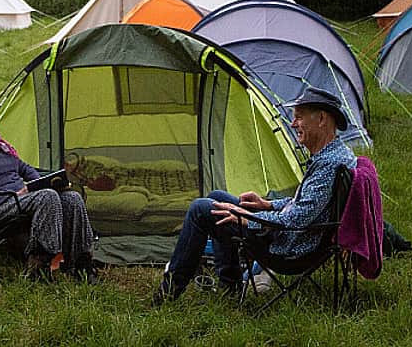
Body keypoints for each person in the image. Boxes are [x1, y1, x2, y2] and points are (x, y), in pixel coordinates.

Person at [153, 88, 357, 304]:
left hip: (287, 246)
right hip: (290, 234)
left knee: (200, 210)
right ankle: (229, 287)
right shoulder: (335, 155)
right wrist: (266, 205)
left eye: (299, 117)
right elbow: (305, 204)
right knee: (217, 197)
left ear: (322, 119)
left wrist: (247, 219)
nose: (293, 124)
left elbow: (296, 218)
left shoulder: (328, 164)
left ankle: (167, 294)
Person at [0, 87, 97, 282]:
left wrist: (43, 183)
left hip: (18, 199)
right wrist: (20, 195)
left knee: (72, 198)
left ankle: (81, 263)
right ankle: (39, 266)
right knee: (46, 197)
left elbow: (24, 168)